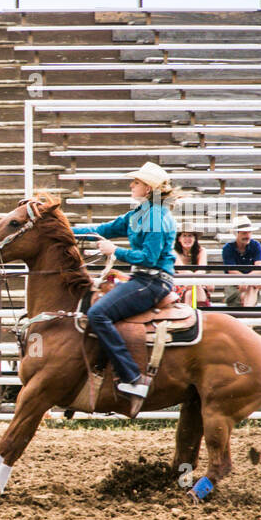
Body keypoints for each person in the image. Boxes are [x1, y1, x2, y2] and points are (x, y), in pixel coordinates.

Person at [72, 161, 179, 404]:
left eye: (137, 182)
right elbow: (101, 229)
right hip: (143, 279)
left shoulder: (154, 216)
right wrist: (62, 230)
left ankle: (133, 378)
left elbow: (150, 258)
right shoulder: (140, 214)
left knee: (98, 314)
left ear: (149, 189)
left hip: (152, 281)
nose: (131, 185)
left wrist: (115, 251)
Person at [221, 215, 261, 307]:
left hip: (251, 283)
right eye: (244, 233)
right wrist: (247, 280)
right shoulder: (228, 248)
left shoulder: (256, 245)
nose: (247, 236)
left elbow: (260, 267)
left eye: (249, 233)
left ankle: (246, 313)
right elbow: (231, 270)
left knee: (251, 288)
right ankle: (248, 314)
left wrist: (246, 281)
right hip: (234, 284)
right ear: (236, 233)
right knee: (251, 289)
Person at [172, 225, 211, 308]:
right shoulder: (174, 252)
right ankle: (201, 311)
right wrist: (194, 280)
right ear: (179, 239)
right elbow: (182, 271)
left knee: (192, 292)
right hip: (179, 284)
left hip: (196, 284)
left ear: (195, 238)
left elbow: (202, 270)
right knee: (192, 290)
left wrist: (194, 281)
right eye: (184, 236)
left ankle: (194, 315)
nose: (187, 239)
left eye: (190, 235)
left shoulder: (201, 251)